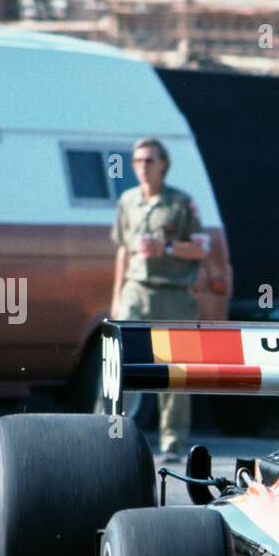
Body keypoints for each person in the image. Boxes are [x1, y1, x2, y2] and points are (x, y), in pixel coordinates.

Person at [111, 136, 210, 462]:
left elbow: (201, 247)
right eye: (137, 161)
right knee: (118, 365)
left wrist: (166, 248)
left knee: (174, 370)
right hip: (135, 290)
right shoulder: (127, 200)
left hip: (172, 294)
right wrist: (117, 298)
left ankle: (172, 442)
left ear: (163, 164)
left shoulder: (181, 203)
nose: (142, 167)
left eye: (149, 160)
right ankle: (110, 435)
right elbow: (123, 251)